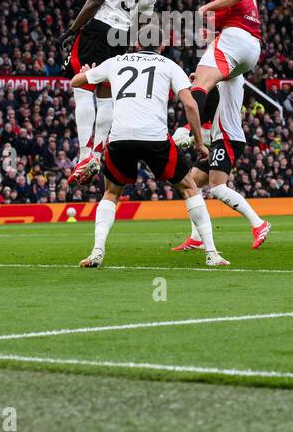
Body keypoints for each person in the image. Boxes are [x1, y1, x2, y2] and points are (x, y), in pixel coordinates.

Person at [69, 28, 227, 268]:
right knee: (189, 188)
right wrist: (197, 141)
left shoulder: (115, 62)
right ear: (162, 46)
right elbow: (191, 106)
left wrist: (87, 73)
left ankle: (97, 252)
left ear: (135, 44)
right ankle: (212, 253)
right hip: (154, 138)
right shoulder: (169, 66)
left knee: (111, 193)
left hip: (120, 138)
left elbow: (75, 82)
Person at [59, 0, 170, 183]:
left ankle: (84, 155)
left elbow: (95, 0)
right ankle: (98, 152)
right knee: (106, 95)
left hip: (98, 29)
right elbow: (141, 23)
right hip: (121, 39)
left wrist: (74, 29)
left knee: (82, 87)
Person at [171, 75, 271, 250]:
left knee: (217, 187)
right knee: (193, 183)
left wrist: (187, 139)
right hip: (218, 138)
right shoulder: (216, 84)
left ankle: (259, 224)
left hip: (227, 138)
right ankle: (197, 237)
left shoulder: (225, 77)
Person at [181, 0, 263, 145]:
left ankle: (188, 131)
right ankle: (211, 133)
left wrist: (206, 8)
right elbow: (236, 9)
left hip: (236, 38)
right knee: (216, 84)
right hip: (251, 48)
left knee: (199, 82)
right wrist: (213, 31)